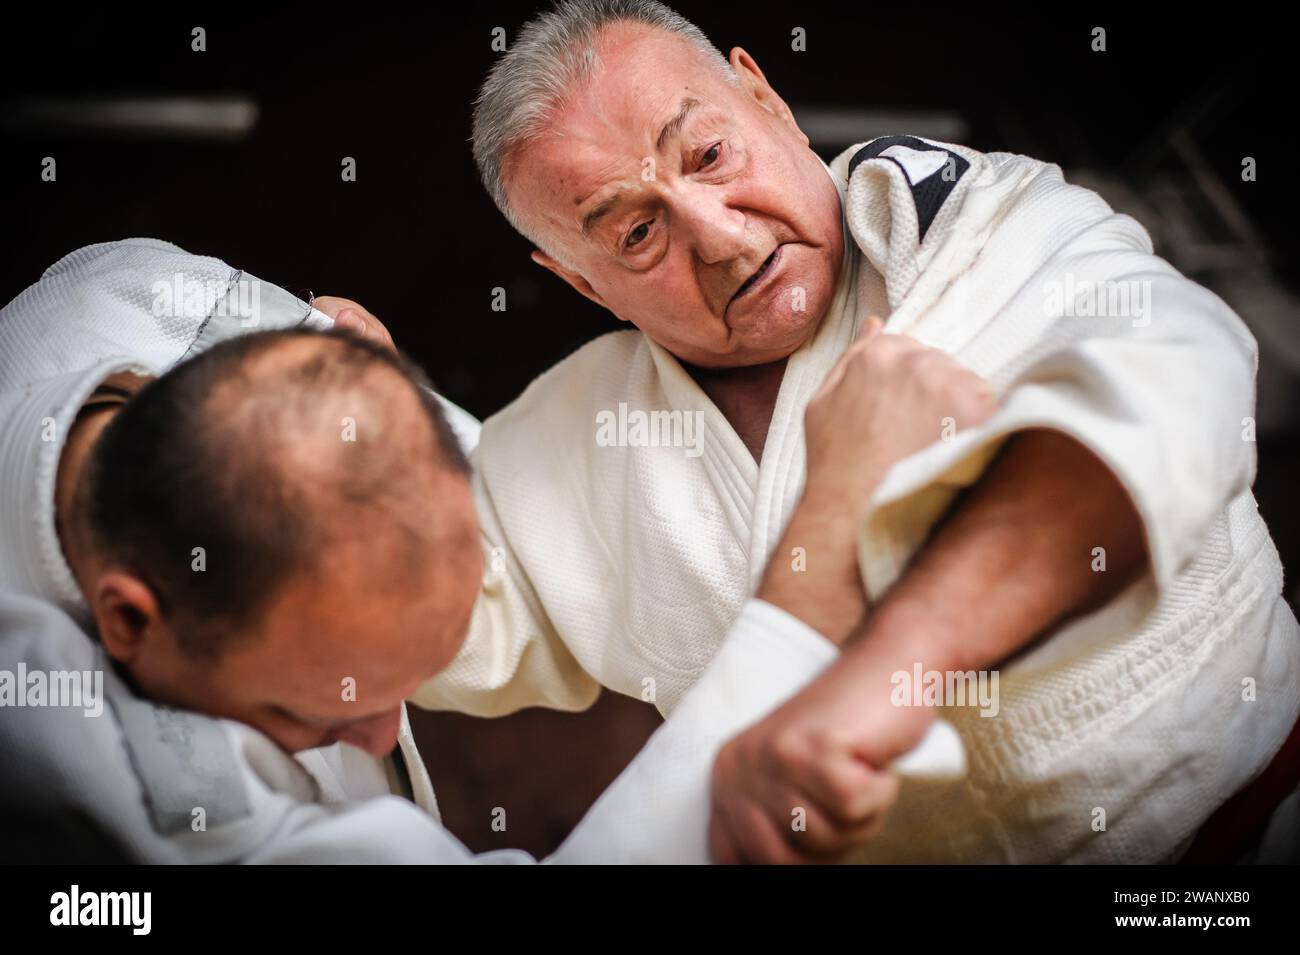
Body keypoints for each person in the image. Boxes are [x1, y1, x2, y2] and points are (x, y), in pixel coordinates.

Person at [406, 0, 1300, 862]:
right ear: (583, 284)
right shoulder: (571, 439)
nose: (718, 238)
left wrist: (875, 680)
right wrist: (365, 424)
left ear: (768, 101)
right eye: (639, 231)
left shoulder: (972, 222)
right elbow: (438, 597)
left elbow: (1168, 377)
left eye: (710, 153)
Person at [0, 240, 966, 862]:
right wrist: (824, 554)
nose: (387, 735)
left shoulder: (133, 295)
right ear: (130, 619)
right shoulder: (128, 800)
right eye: (317, 704)